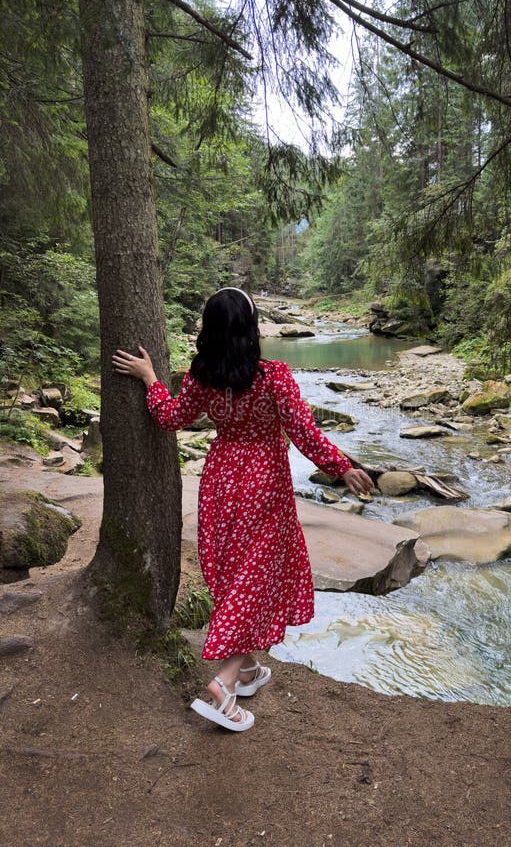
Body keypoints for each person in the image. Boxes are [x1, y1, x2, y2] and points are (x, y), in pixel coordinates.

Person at [112, 287, 373, 732]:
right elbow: (304, 433)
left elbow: (171, 418)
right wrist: (340, 468)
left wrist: (150, 379)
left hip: (220, 482)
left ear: (209, 331)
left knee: (237, 575)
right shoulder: (273, 377)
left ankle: (248, 670)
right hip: (263, 486)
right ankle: (225, 684)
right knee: (254, 579)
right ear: (251, 331)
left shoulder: (201, 377)